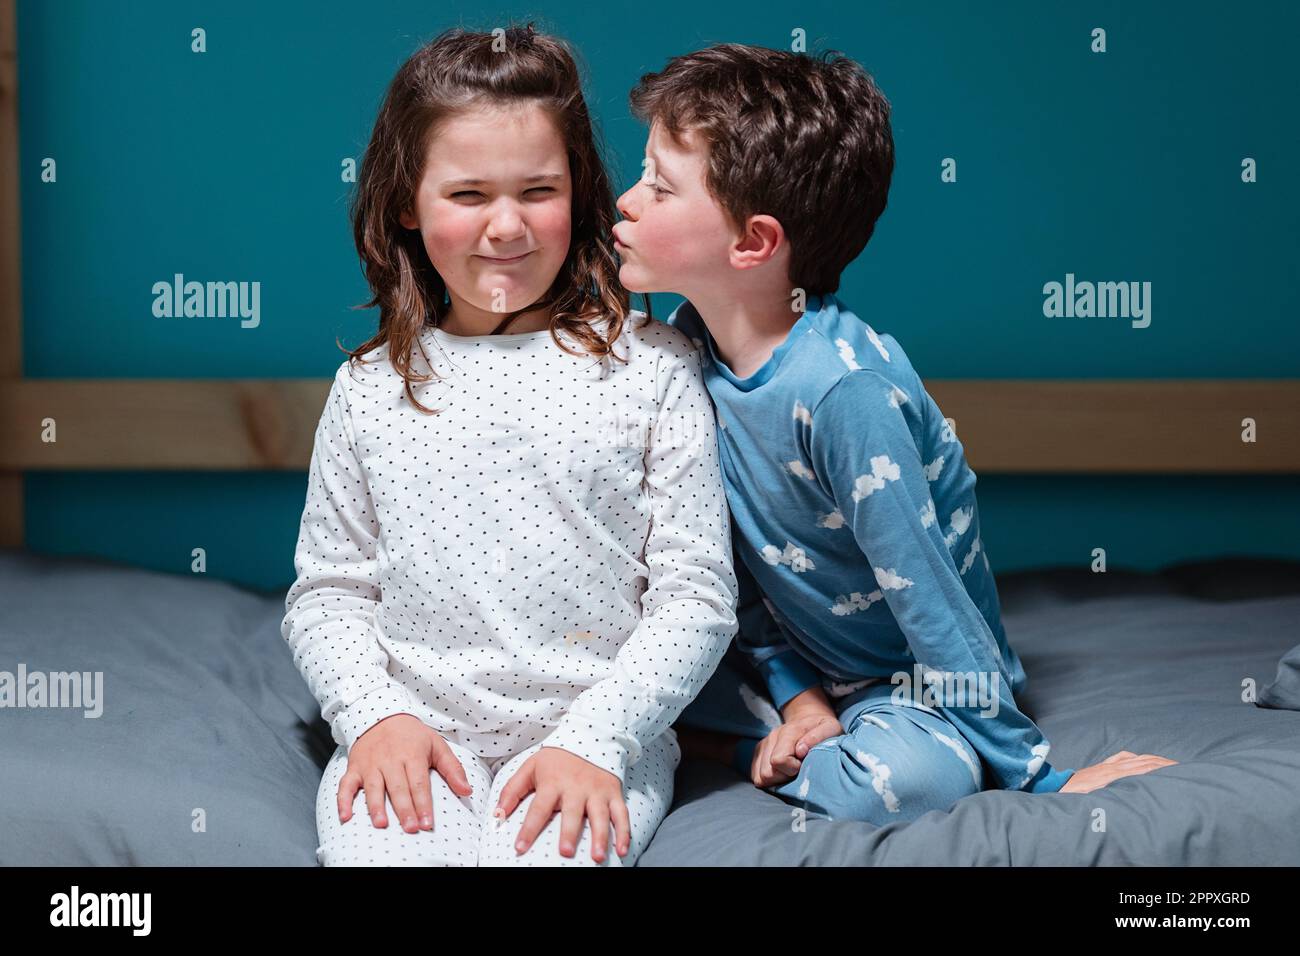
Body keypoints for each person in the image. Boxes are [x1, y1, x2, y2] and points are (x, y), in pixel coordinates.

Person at [611, 42, 1176, 825]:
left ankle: (739, 748)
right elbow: (727, 561)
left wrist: (1037, 776)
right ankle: (778, 731)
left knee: (911, 783)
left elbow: (931, 597)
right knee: (607, 652)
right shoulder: (684, 345)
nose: (627, 201)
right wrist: (798, 699)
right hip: (791, 668)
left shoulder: (844, 391)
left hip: (910, 685)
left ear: (753, 243)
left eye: (659, 187)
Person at [282, 25, 738, 865]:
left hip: (595, 741)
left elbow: (696, 595)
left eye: (538, 190)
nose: (507, 226)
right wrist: (374, 719)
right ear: (406, 207)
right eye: (467, 195)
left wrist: (598, 740)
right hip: (412, 740)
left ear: (581, 192)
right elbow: (328, 594)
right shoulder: (371, 389)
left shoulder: (655, 372)